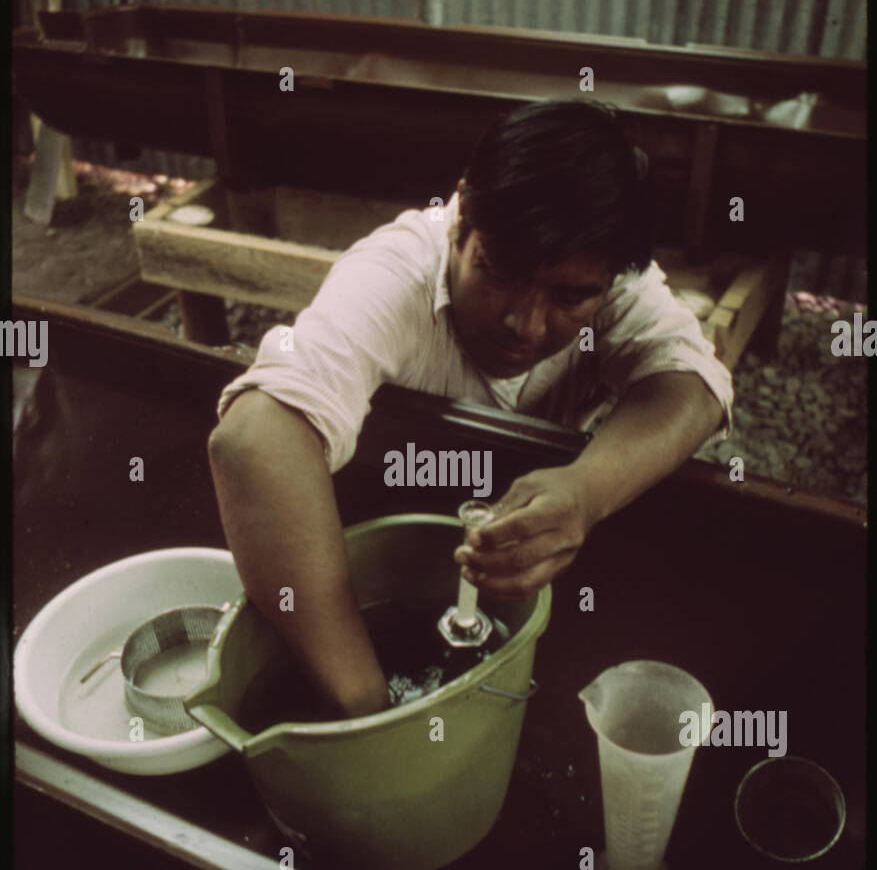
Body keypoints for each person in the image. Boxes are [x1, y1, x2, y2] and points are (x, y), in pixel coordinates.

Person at [208, 100, 733, 718]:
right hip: (389, 521)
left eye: (568, 299)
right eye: (501, 272)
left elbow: (694, 383)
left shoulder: (608, 271)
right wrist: (374, 711)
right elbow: (253, 443)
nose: (526, 325)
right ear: (462, 218)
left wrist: (586, 492)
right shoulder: (392, 275)